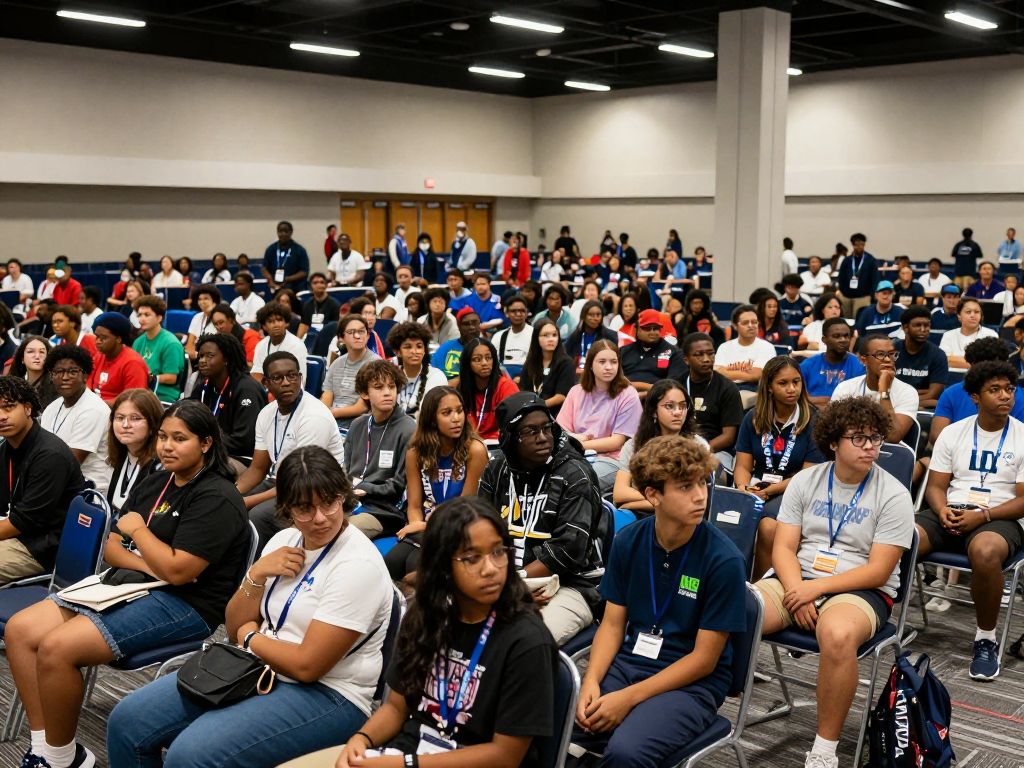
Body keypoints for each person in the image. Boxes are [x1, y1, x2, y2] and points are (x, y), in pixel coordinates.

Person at [109, 444, 393, 768]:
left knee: (189, 756)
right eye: (304, 508)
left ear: (342, 495)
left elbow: (306, 666)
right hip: (259, 668)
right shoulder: (284, 542)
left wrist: (251, 638)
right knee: (127, 722)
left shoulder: (357, 565)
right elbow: (233, 624)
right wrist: (257, 574)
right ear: (286, 508)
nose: (319, 518)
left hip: (330, 693)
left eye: (329, 503)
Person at [7, 398, 249, 768]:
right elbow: (114, 547)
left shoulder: (217, 496)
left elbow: (181, 574)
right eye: (163, 437)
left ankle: (57, 760)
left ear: (206, 443)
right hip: (131, 582)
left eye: (180, 438)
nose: (167, 446)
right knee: (22, 631)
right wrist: (157, 564)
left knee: (57, 649)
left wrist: (142, 538)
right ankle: (51, 750)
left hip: (188, 604)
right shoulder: (157, 481)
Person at [337, 495, 558, 768]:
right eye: (472, 558)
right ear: (443, 567)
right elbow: (396, 707)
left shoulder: (527, 641)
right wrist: (363, 739)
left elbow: (505, 756)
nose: (490, 569)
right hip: (412, 751)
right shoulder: (424, 617)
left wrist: (406, 764)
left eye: (498, 552)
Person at [753, 396, 913, 768]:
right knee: (739, 606)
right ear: (833, 443)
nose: (870, 447)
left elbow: (879, 571)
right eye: (858, 438)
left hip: (863, 589)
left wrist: (816, 589)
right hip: (799, 578)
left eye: (875, 438)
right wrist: (798, 590)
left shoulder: (894, 494)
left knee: (837, 634)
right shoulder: (807, 480)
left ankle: (825, 749)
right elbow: (784, 548)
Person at [571, 434, 747, 767]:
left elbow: (704, 661)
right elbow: (611, 624)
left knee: (625, 753)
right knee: (554, 720)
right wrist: (591, 681)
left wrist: (626, 699)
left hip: (691, 683)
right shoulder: (628, 541)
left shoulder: (724, 560)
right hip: (629, 663)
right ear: (653, 495)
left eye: (702, 484)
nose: (700, 497)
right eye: (684, 487)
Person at [917, 360, 1024, 680]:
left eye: (1010, 389)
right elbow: (935, 487)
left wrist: (984, 515)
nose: (1005, 396)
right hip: (952, 509)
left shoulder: (1022, 436)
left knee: (985, 551)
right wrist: (941, 510)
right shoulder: (954, 433)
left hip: (1001, 515)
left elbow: (1022, 501)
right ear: (975, 396)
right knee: (902, 535)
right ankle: (876, 620)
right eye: (995, 390)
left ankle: (986, 639)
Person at [480, 392, 606, 645]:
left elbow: (567, 552)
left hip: (569, 585)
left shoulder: (575, 474)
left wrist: (512, 588)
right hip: (505, 578)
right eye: (530, 431)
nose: (543, 438)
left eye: (547, 428)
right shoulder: (497, 469)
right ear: (510, 438)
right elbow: (477, 529)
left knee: (522, 643)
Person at [237, 352, 345, 550]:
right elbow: (258, 469)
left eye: (292, 376)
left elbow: (301, 481)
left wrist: (246, 502)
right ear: (266, 383)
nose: (286, 382)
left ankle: (259, 573)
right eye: (278, 378)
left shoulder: (313, 416)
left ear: (300, 378)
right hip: (282, 482)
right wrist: (232, 494)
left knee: (257, 515)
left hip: (317, 489)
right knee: (227, 503)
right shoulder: (266, 414)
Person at [384, 387, 489, 581]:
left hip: (460, 527)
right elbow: (414, 505)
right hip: (425, 527)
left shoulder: (475, 450)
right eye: (447, 413)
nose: (456, 418)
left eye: (459, 411)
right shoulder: (415, 453)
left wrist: (422, 526)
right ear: (432, 419)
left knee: (415, 565)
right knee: (391, 562)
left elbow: (466, 508)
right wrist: (417, 524)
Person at [735, 357, 824, 578]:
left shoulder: (813, 420)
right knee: (726, 521)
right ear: (769, 387)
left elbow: (807, 476)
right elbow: (743, 466)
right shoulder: (753, 418)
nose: (792, 389)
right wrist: (742, 488)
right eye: (783, 383)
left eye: (796, 382)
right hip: (756, 488)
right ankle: (731, 586)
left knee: (768, 527)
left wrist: (768, 492)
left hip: (795, 490)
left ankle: (758, 593)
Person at [0, 375, 86, 584]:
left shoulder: (50, 455)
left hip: (42, 546)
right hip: (16, 534)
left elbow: (25, 521)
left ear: (28, 408)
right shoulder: (7, 447)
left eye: (9, 407)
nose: (1, 416)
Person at [342, 361, 417, 540]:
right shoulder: (358, 425)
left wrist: (364, 488)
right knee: (310, 524)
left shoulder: (408, 429)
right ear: (364, 393)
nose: (387, 392)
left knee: (344, 532)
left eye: (391, 387)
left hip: (385, 511)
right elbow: (346, 472)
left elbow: (399, 486)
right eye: (378, 387)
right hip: (350, 502)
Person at [556, 340, 642, 493]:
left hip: (612, 460)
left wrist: (576, 442)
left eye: (614, 362)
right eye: (602, 362)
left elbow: (616, 442)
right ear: (590, 364)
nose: (609, 367)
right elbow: (559, 430)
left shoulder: (628, 394)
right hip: (575, 456)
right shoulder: (576, 391)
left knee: (577, 482)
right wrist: (575, 440)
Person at [613, 380, 708, 515]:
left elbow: (686, 499)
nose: (678, 412)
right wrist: (660, 500)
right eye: (670, 406)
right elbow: (620, 493)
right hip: (638, 514)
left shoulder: (698, 446)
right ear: (653, 411)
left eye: (682, 406)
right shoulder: (634, 444)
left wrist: (632, 503)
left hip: (681, 518)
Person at [41, 345, 112, 492]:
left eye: (73, 371)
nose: (65, 377)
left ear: (85, 375)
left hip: (88, 490)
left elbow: (70, 464)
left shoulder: (93, 409)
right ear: (52, 376)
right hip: (56, 482)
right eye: (59, 372)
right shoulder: (52, 408)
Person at [190, 333, 267, 458]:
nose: (202, 361)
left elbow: (243, 443)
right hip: (208, 450)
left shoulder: (247, 389)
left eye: (210, 356)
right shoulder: (204, 386)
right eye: (201, 356)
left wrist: (200, 442)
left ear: (226, 359)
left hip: (240, 458)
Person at [831, 334, 919, 443]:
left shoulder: (908, 392)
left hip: (889, 454)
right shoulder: (845, 388)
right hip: (852, 448)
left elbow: (893, 437)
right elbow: (834, 429)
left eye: (891, 354)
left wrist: (884, 392)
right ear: (864, 360)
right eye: (880, 354)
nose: (887, 359)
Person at [681, 332, 744, 469]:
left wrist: (700, 450)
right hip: (679, 446)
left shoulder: (727, 388)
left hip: (716, 450)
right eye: (699, 354)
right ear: (686, 359)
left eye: (710, 353)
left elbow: (728, 436)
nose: (706, 359)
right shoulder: (676, 384)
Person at [104, 388, 162, 516]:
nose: (125, 425)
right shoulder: (122, 454)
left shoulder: (159, 468)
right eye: (119, 418)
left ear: (153, 424)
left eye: (135, 418)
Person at [714, 304, 777, 404]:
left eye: (754, 322)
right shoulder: (724, 347)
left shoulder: (767, 347)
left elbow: (757, 375)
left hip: (754, 389)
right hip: (726, 387)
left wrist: (728, 371)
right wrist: (746, 372)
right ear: (735, 326)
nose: (751, 326)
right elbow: (717, 373)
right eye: (745, 323)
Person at [459, 338, 519, 441]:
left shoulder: (506, 386)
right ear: (467, 364)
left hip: (499, 444)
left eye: (488, 358)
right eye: (477, 359)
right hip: (471, 443)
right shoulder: (462, 388)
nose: (484, 363)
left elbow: (513, 425)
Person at [620, 308, 686, 399]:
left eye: (656, 328)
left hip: (658, 400)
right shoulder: (623, 351)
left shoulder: (674, 352)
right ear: (636, 330)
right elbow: (614, 381)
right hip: (622, 398)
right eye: (647, 328)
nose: (652, 332)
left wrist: (644, 391)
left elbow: (672, 386)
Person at [519, 317, 577, 416]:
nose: (551, 339)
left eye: (554, 335)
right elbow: (524, 391)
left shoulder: (566, 363)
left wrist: (538, 406)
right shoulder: (531, 362)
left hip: (556, 415)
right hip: (531, 413)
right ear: (536, 338)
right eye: (545, 335)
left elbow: (561, 396)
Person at [388, 321, 447, 419]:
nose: (414, 351)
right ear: (398, 352)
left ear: (424, 350)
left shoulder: (437, 376)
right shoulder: (390, 376)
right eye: (408, 347)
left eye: (419, 346)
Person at [132, 295, 185, 402]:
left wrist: (149, 378)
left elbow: (171, 378)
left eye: (147, 315)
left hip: (163, 396)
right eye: (139, 315)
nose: (142, 319)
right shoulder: (138, 342)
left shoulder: (171, 343)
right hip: (140, 392)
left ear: (159, 318)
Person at [893, 305, 948, 409]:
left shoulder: (938, 355)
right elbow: (884, 388)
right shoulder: (892, 350)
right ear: (905, 328)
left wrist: (903, 401)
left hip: (922, 409)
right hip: (902, 404)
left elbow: (933, 395)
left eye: (926, 325)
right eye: (917, 325)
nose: (923, 329)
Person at [88, 313, 150, 404]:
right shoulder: (99, 356)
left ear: (118, 339)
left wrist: (99, 406)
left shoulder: (133, 363)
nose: (98, 341)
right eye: (97, 336)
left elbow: (132, 399)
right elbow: (88, 383)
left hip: (118, 412)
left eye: (103, 338)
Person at [251, 302, 308, 388]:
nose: (276, 325)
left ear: (287, 323)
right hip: (267, 391)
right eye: (270, 321)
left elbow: (299, 380)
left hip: (290, 391)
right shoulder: (261, 345)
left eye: (279, 320)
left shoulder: (297, 345)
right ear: (264, 326)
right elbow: (256, 375)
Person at [939, 296, 999, 369]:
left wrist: (954, 360)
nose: (972, 315)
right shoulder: (948, 335)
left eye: (976, 312)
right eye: (968, 312)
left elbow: (991, 364)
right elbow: (943, 360)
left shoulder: (991, 335)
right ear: (959, 316)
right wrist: (977, 363)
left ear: (981, 316)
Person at [567, 300, 619, 373]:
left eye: (598, 315)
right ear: (584, 316)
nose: (595, 318)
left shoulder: (610, 336)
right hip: (577, 375)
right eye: (591, 315)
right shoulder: (575, 336)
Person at [835, 233, 878, 319]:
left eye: (861, 244)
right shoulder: (847, 260)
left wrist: (871, 295)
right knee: (845, 320)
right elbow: (841, 278)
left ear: (864, 245)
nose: (859, 247)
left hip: (863, 297)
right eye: (857, 245)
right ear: (853, 245)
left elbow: (875, 279)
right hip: (846, 297)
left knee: (859, 320)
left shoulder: (870, 260)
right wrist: (843, 292)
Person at [431, 306, 481, 380]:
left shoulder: (486, 348)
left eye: (475, 323)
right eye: (466, 324)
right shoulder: (445, 348)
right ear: (459, 327)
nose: (472, 327)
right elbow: (434, 375)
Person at [8, 336, 58, 410]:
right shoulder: (12, 385)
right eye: (30, 351)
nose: (37, 356)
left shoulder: (57, 386)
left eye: (42, 352)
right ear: (22, 358)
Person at [263, 220, 310, 293]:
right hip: (274, 286)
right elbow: (264, 268)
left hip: (294, 287)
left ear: (291, 232)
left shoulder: (300, 250)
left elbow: (304, 272)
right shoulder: (271, 249)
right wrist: (270, 280)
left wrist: (287, 279)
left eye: (286, 231)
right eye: (280, 231)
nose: (283, 234)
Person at [491, 294, 533, 371]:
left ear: (526, 313)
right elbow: (493, 363)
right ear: (507, 313)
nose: (518, 314)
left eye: (522, 311)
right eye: (514, 311)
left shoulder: (536, 334)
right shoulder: (498, 336)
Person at [183, 284, 221, 363]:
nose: (202, 302)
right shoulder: (197, 317)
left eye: (206, 298)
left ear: (214, 300)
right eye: (199, 299)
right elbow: (190, 345)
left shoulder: (220, 319)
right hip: (197, 360)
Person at [297, 272, 341, 338]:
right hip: (310, 337)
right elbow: (304, 324)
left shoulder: (335, 304)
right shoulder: (307, 304)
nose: (319, 285)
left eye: (322, 282)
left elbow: (335, 327)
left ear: (326, 285)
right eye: (315, 283)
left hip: (328, 337)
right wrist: (298, 342)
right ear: (310, 287)